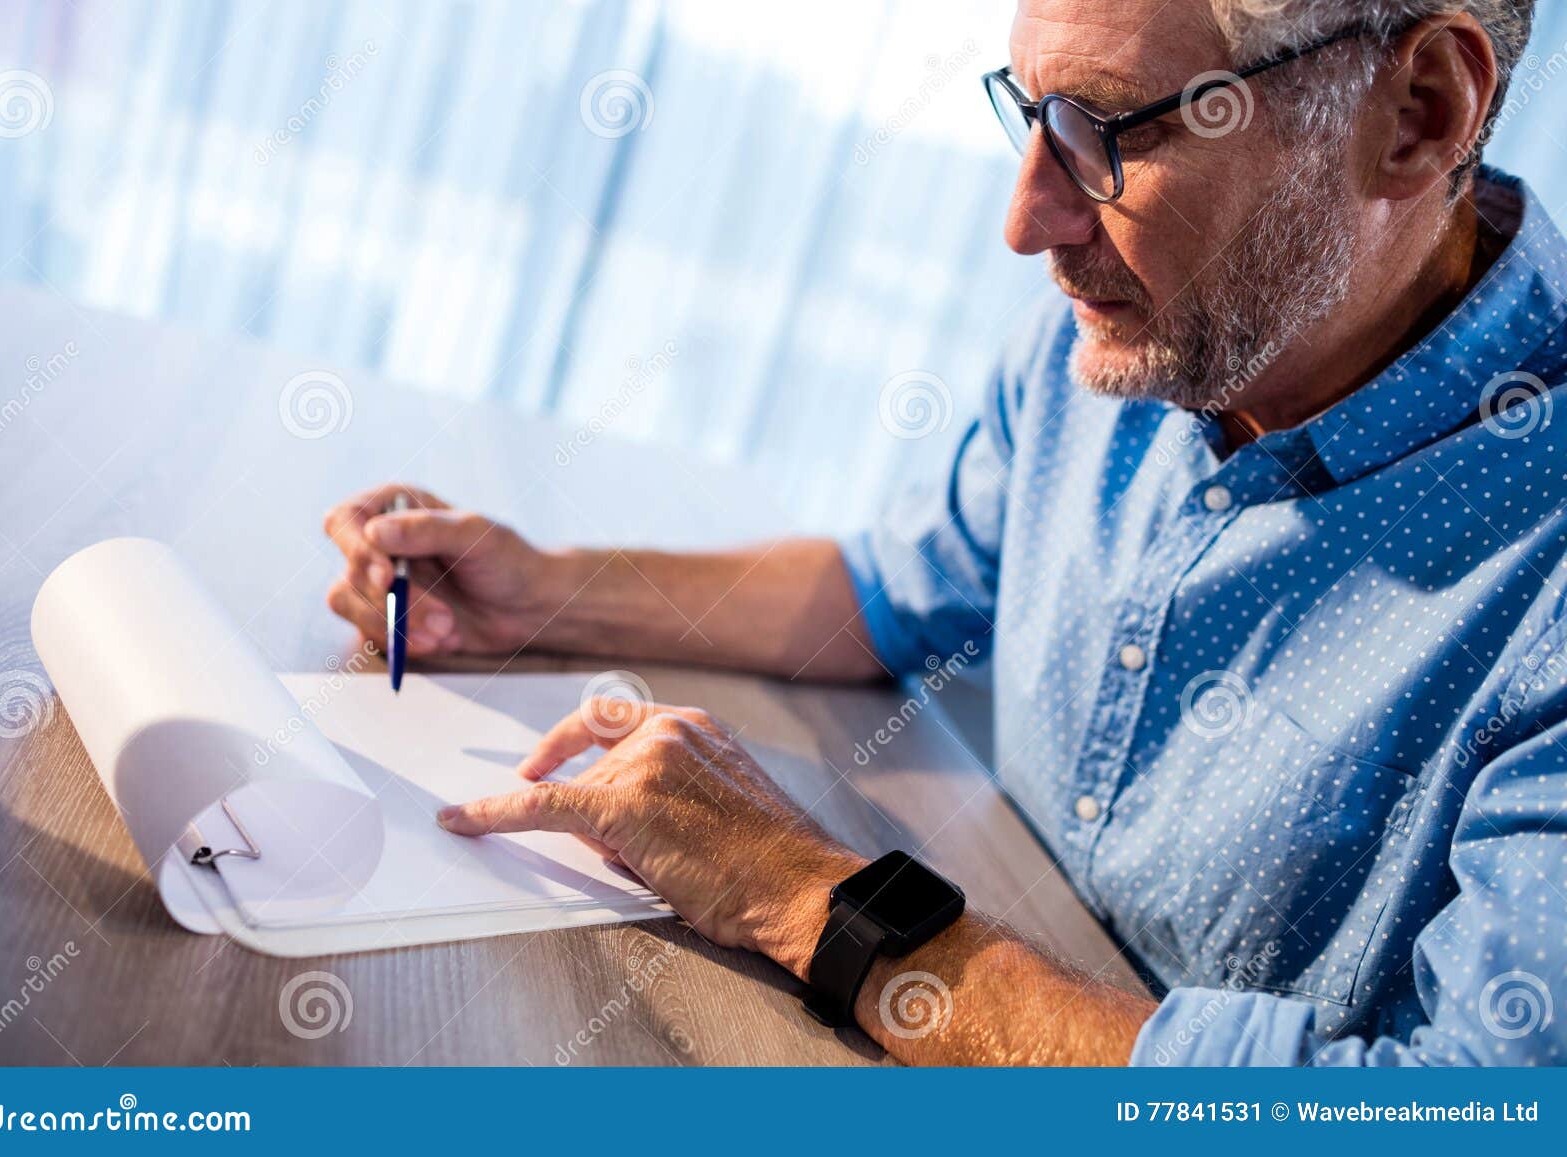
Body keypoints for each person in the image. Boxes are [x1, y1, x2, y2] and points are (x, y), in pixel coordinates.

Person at [324, 0, 1567, 1065]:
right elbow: (898, 588)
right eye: (1032, 114)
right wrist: (536, 592)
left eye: (1113, 129)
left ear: (1416, 112)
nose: (1027, 219)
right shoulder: (1150, 321)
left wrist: (818, 900)